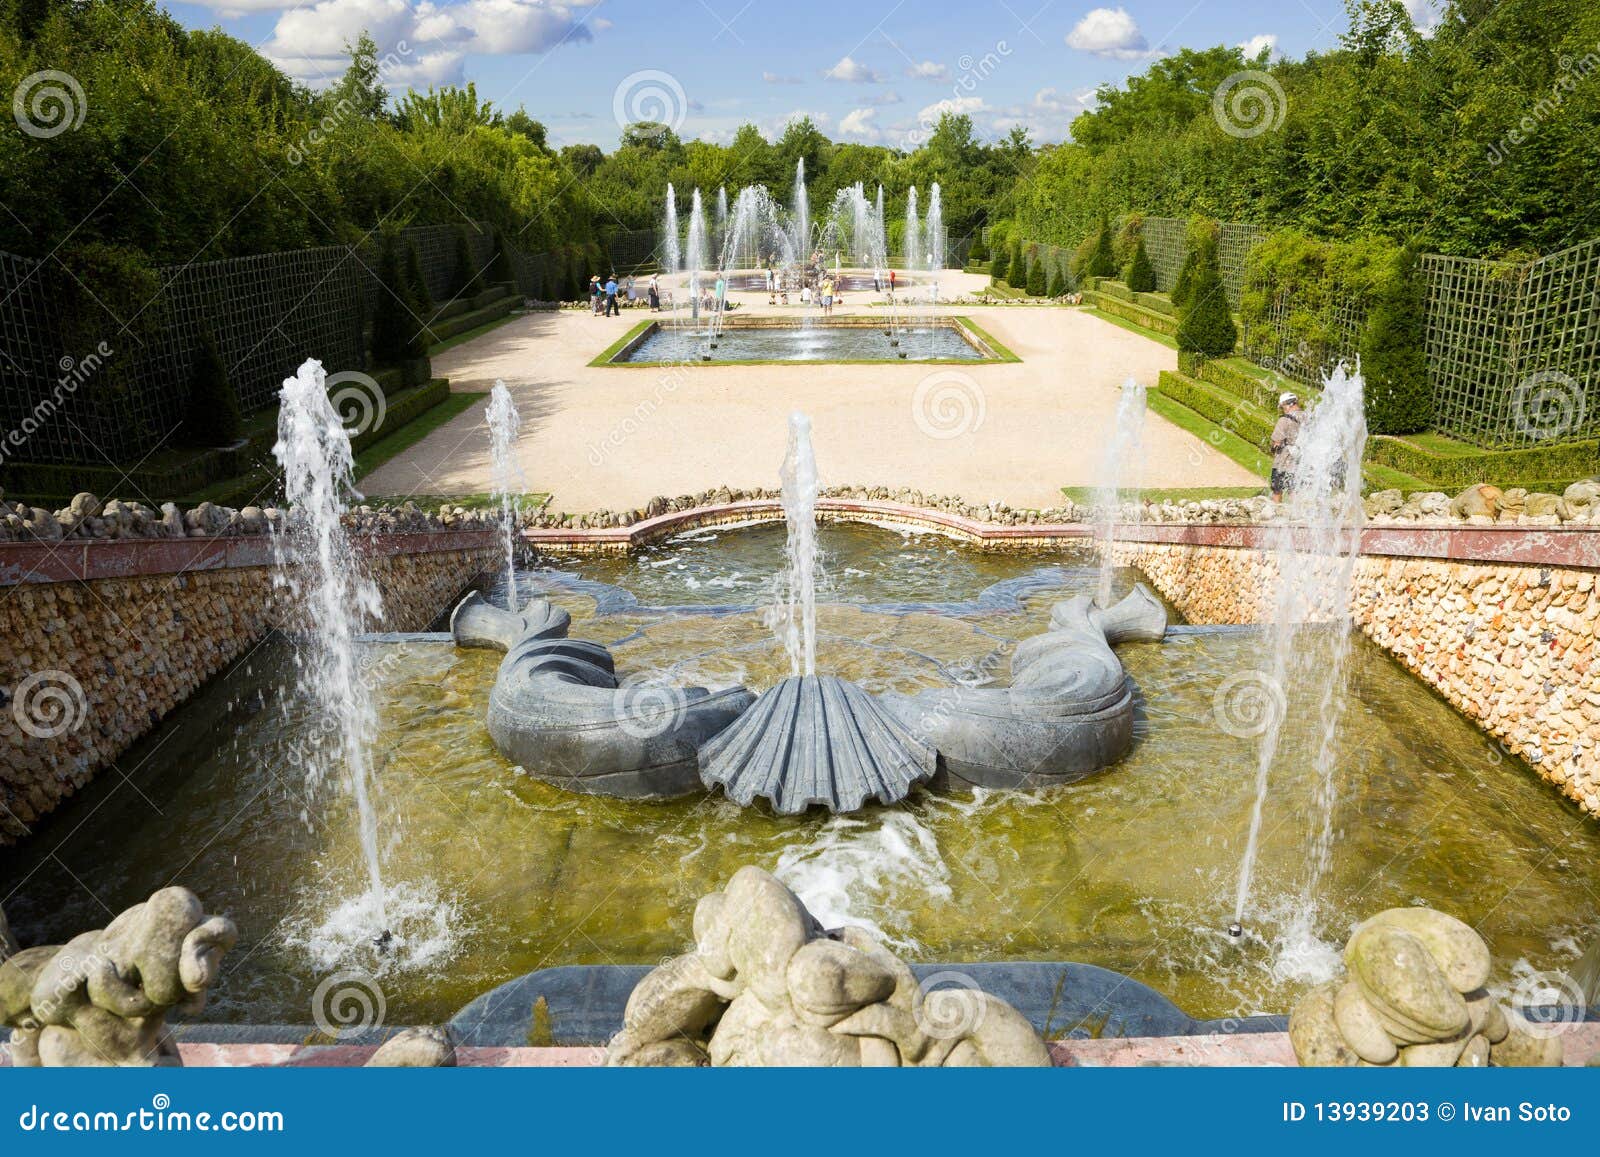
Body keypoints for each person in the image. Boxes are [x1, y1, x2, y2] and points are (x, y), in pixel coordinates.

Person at [1270, 392, 1303, 502]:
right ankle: (1296, 516)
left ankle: (1276, 513)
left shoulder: (1284, 419)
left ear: (1289, 405)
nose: (1283, 409)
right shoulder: (1308, 416)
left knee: (1277, 490)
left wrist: (1273, 448)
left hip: (1283, 461)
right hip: (1302, 460)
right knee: (1293, 490)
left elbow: (1277, 442)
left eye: (1283, 407)